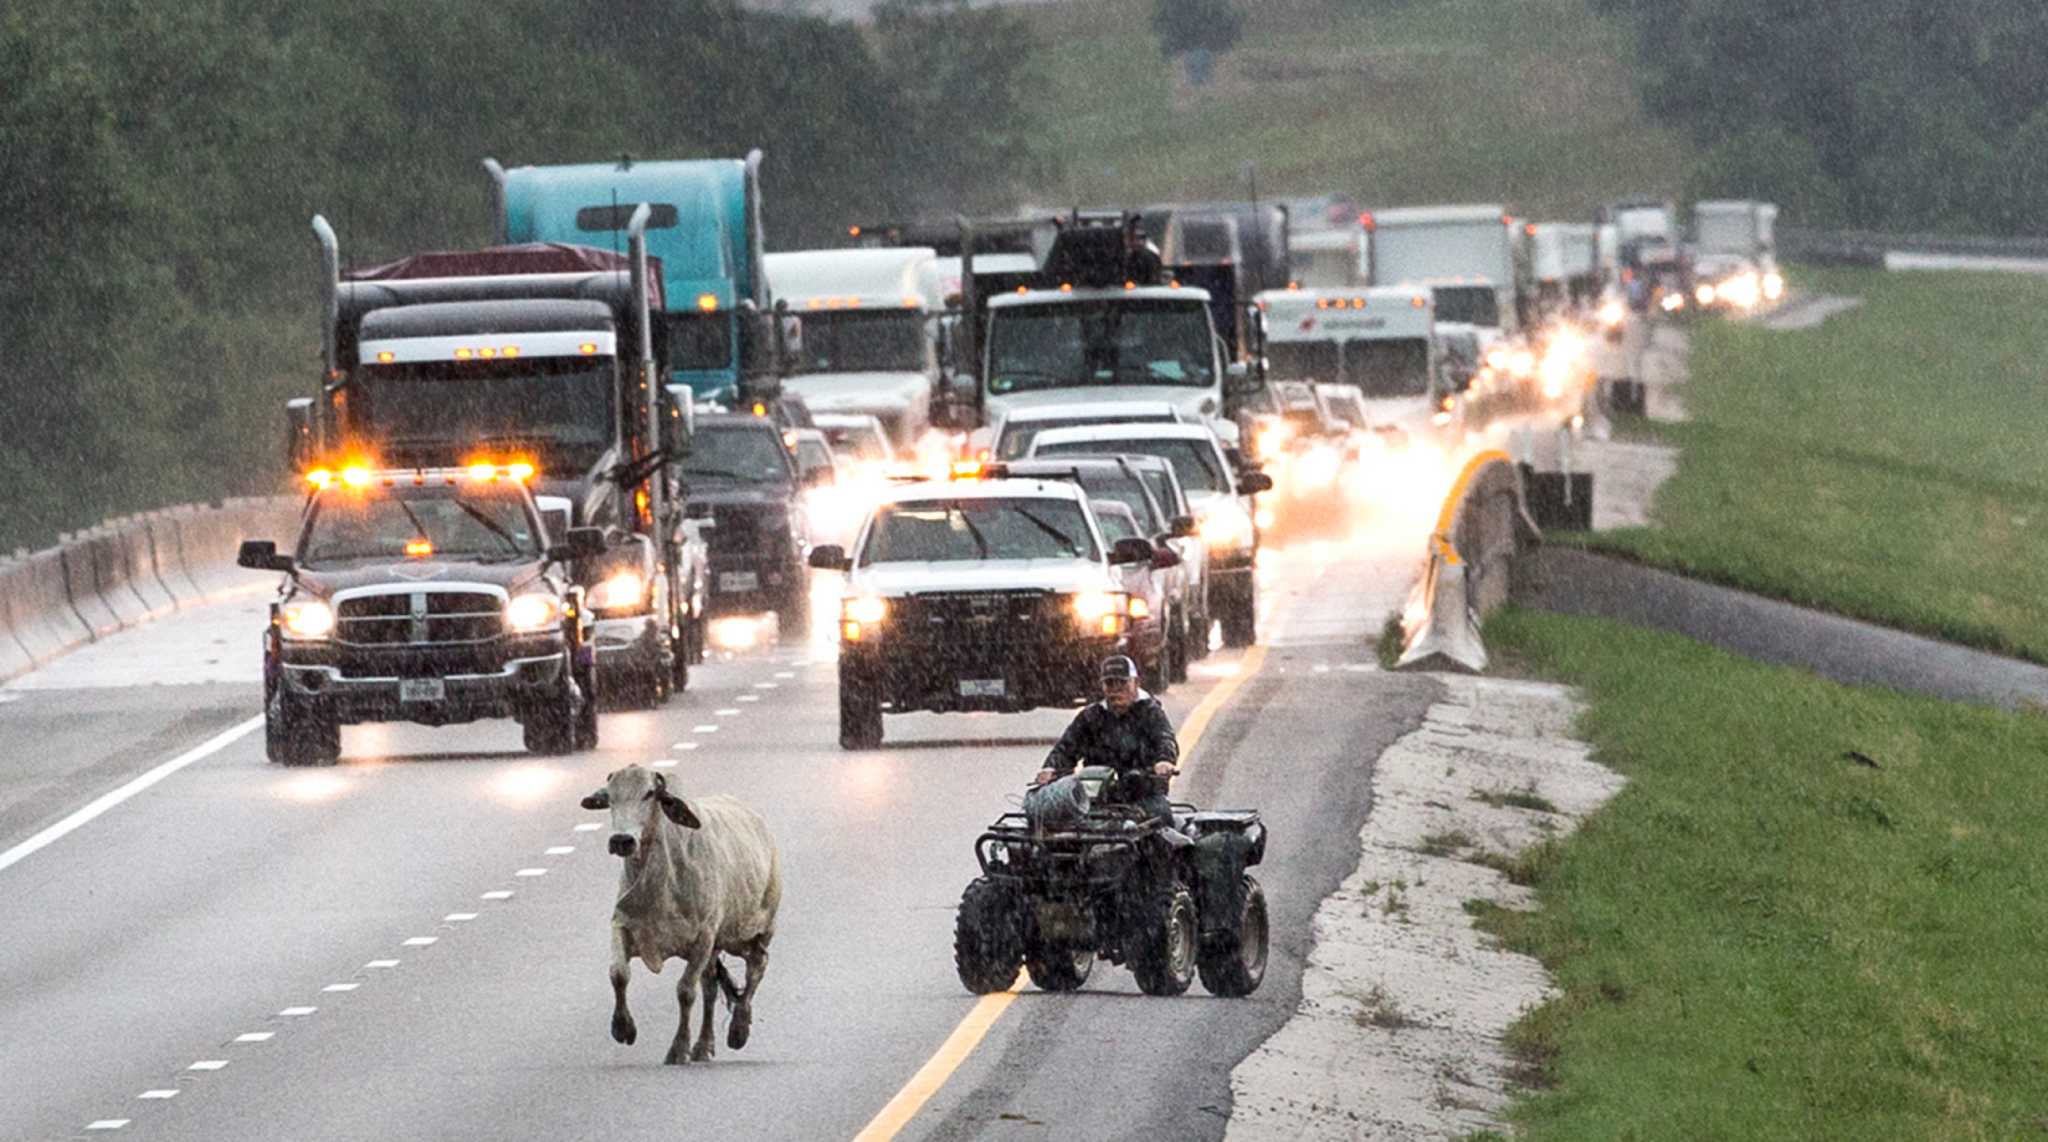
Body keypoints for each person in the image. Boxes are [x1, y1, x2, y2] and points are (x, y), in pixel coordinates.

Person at [1033, 655, 1180, 822]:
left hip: (1143, 794)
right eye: (1110, 683)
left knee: (1159, 820)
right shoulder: (1091, 716)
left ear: (1136, 683)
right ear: (1102, 686)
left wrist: (1164, 761)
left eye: (1122, 683)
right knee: (1055, 822)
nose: (1115, 690)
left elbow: (1165, 738)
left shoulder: (1151, 713)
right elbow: (1066, 748)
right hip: (1095, 796)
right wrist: (1051, 768)